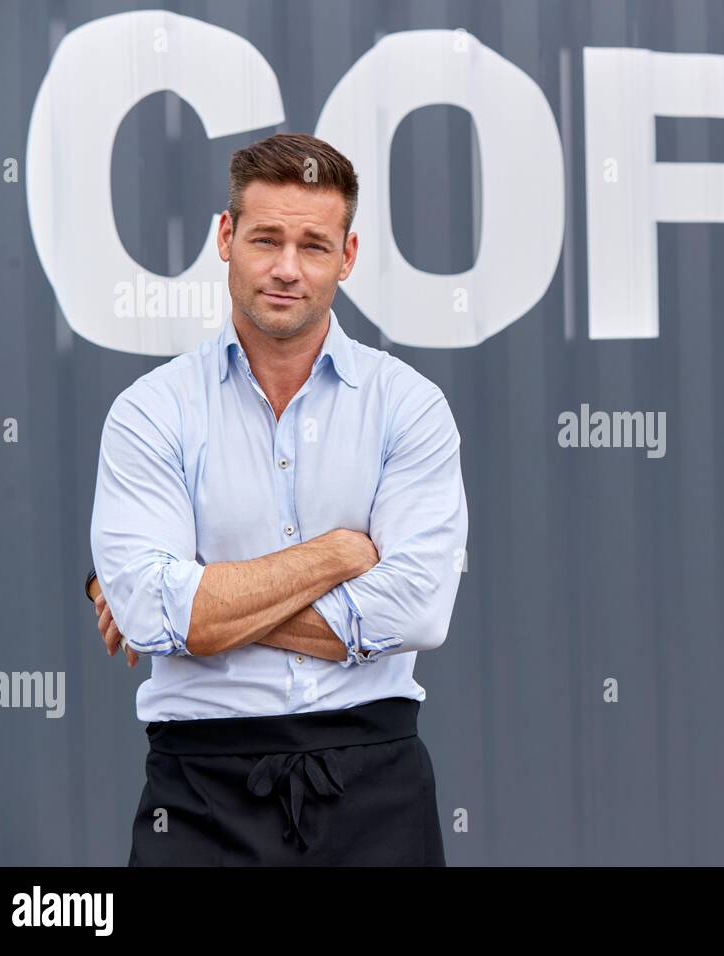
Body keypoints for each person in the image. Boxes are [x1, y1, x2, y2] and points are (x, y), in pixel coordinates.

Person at [86, 132, 468, 865]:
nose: (287, 269)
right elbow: (146, 610)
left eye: (314, 246)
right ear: (225, 238)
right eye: (266, 239)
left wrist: (200, 607)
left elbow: (418, 606)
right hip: (198, 795)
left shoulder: (409, 408)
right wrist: (335, 554)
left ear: (348, 257)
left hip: (377, 789)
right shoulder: (151, 412)